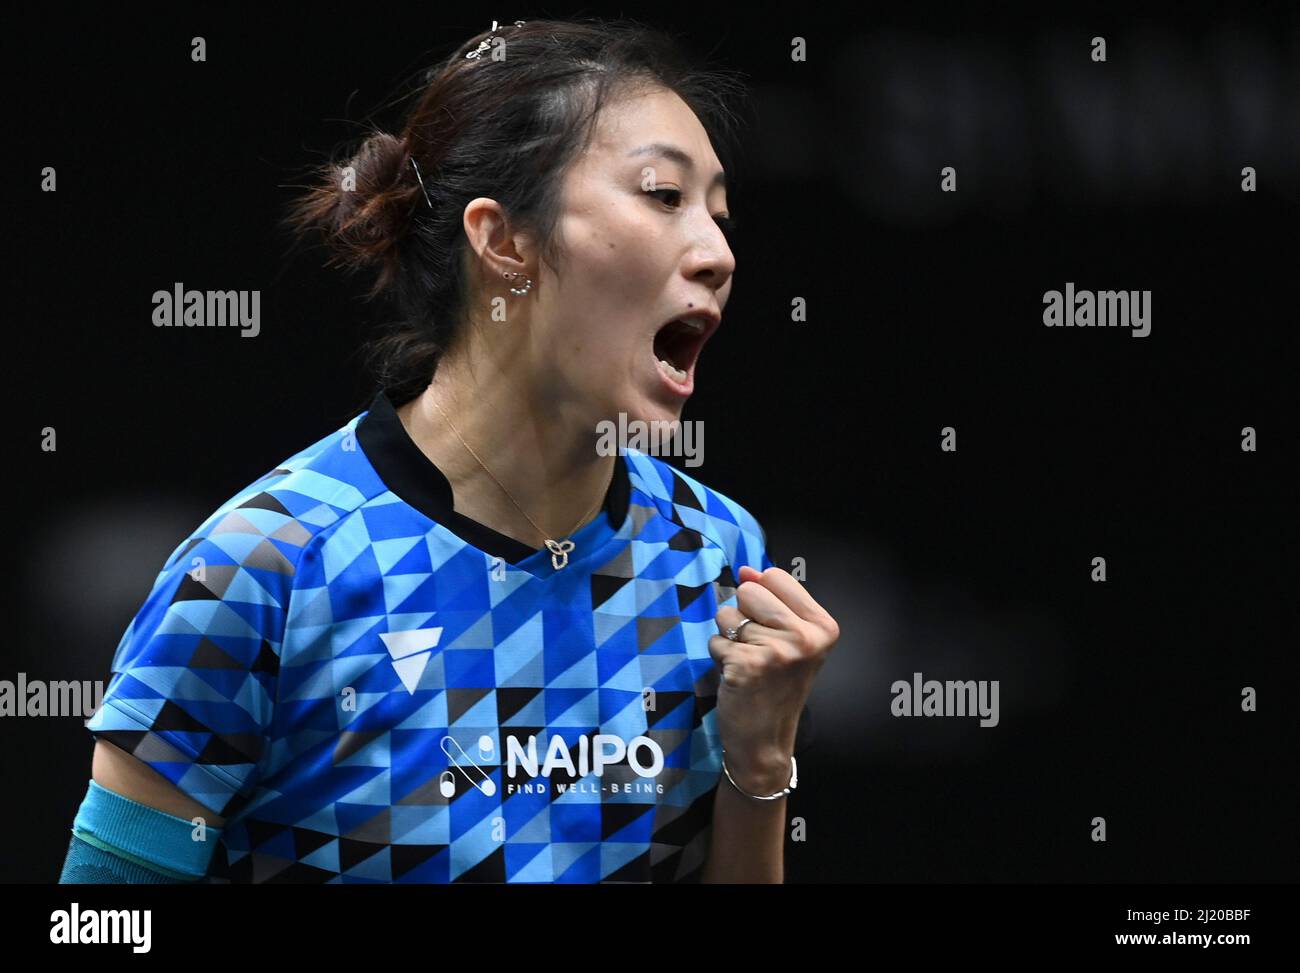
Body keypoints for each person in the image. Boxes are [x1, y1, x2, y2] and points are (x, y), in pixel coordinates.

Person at [60, 17, 838, 884]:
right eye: (664, 196)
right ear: (504, 241)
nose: (719, 253)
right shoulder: (265, 568)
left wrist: (761, 765)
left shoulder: (717, 560)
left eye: (719, 214)